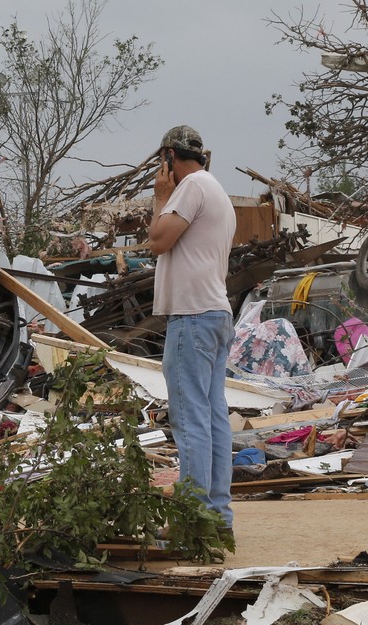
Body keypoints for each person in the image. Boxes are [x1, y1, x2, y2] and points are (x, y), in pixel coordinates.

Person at [149, 125, 237, 534]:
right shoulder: (217, 189)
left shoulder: (190, 187)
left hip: (193, 315)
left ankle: (193, 519)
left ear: (169, 156)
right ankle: (217, 516)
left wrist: (161, 198)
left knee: (190, 419)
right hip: (216, 314)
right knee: (213, 416)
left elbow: (158, 240)